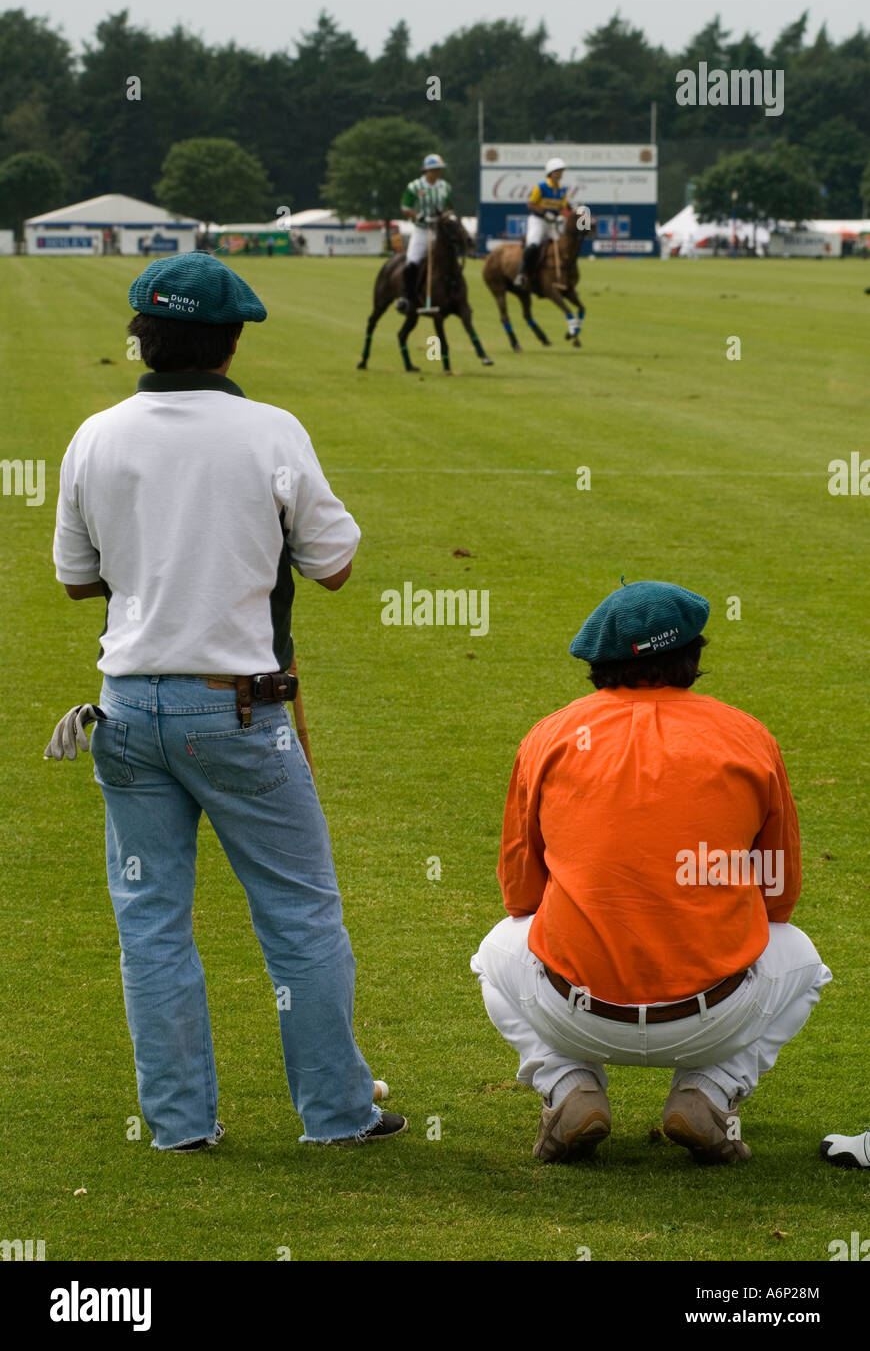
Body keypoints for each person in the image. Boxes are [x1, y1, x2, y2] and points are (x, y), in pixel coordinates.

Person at [49, 252, 407, 1151]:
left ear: (142, 335)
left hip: (126, 711)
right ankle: (334, 1114)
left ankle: (177, 1125)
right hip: (239, 710)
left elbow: (76, 580)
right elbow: (335, 566)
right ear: (232, 339)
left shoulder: (96, 434)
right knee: (299, 914)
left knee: (151, 925)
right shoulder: (270, 429)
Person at [471, 579, 830, 1166]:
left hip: (574, 1011)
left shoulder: (551, 735)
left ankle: (567, 1088)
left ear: (598, 662)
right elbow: (779, 897)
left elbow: (519, 894)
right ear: (693, 655)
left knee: (495, 949)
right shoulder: (748, 735)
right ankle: (709, 1092)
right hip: (715, 1016)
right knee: (803, 957)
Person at [396, 153, 452, 312]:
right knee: (412, 262)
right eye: (435, 169)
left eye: (439, 169)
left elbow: (448, 207)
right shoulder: (414, 187)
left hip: (439, 231)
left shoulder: (445, 187)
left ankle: (453, 293)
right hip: (421, 230)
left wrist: (447, 216)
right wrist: (419, 216)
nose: (438, 172)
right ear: (426, 171)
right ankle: (405, 297)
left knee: (450, 259)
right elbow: (405, 208)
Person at [513, 156, 571, 290]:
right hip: (538, 221)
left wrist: (562, 217)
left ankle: (563, 275)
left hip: (553, 224)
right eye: (557, 171)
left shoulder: (563, 190)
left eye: (561, 171)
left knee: (563, 247)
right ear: (550, 173)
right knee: (533, 245)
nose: (560, 174)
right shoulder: (540, 187)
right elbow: (531, 204)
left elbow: (562, 208)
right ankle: (521, 274)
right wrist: (545, 213)